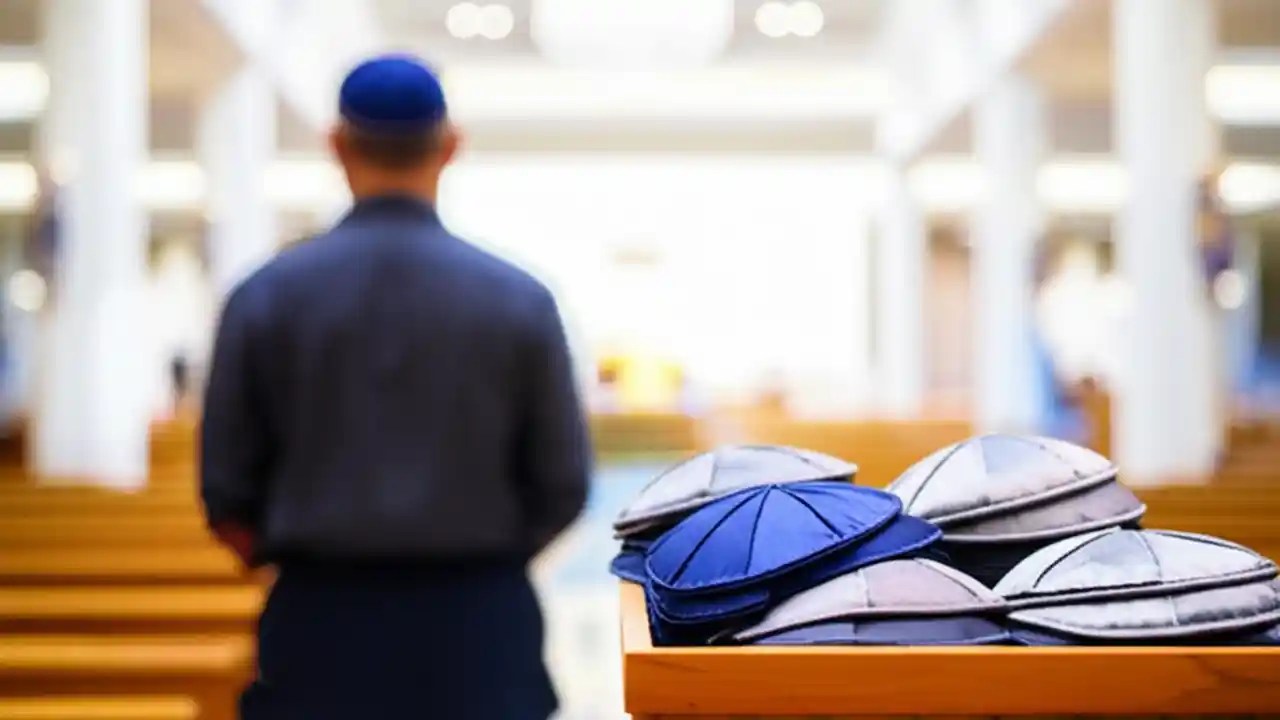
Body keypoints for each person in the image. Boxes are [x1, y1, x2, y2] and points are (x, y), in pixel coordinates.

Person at [200, 54, 591, 719]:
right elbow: (562, 484)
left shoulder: (264, 297)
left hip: (320, 625)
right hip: (480, 627)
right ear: (450, 146)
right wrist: (484, 560)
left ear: (336, 145)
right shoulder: (519, 299)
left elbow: (227, 491)